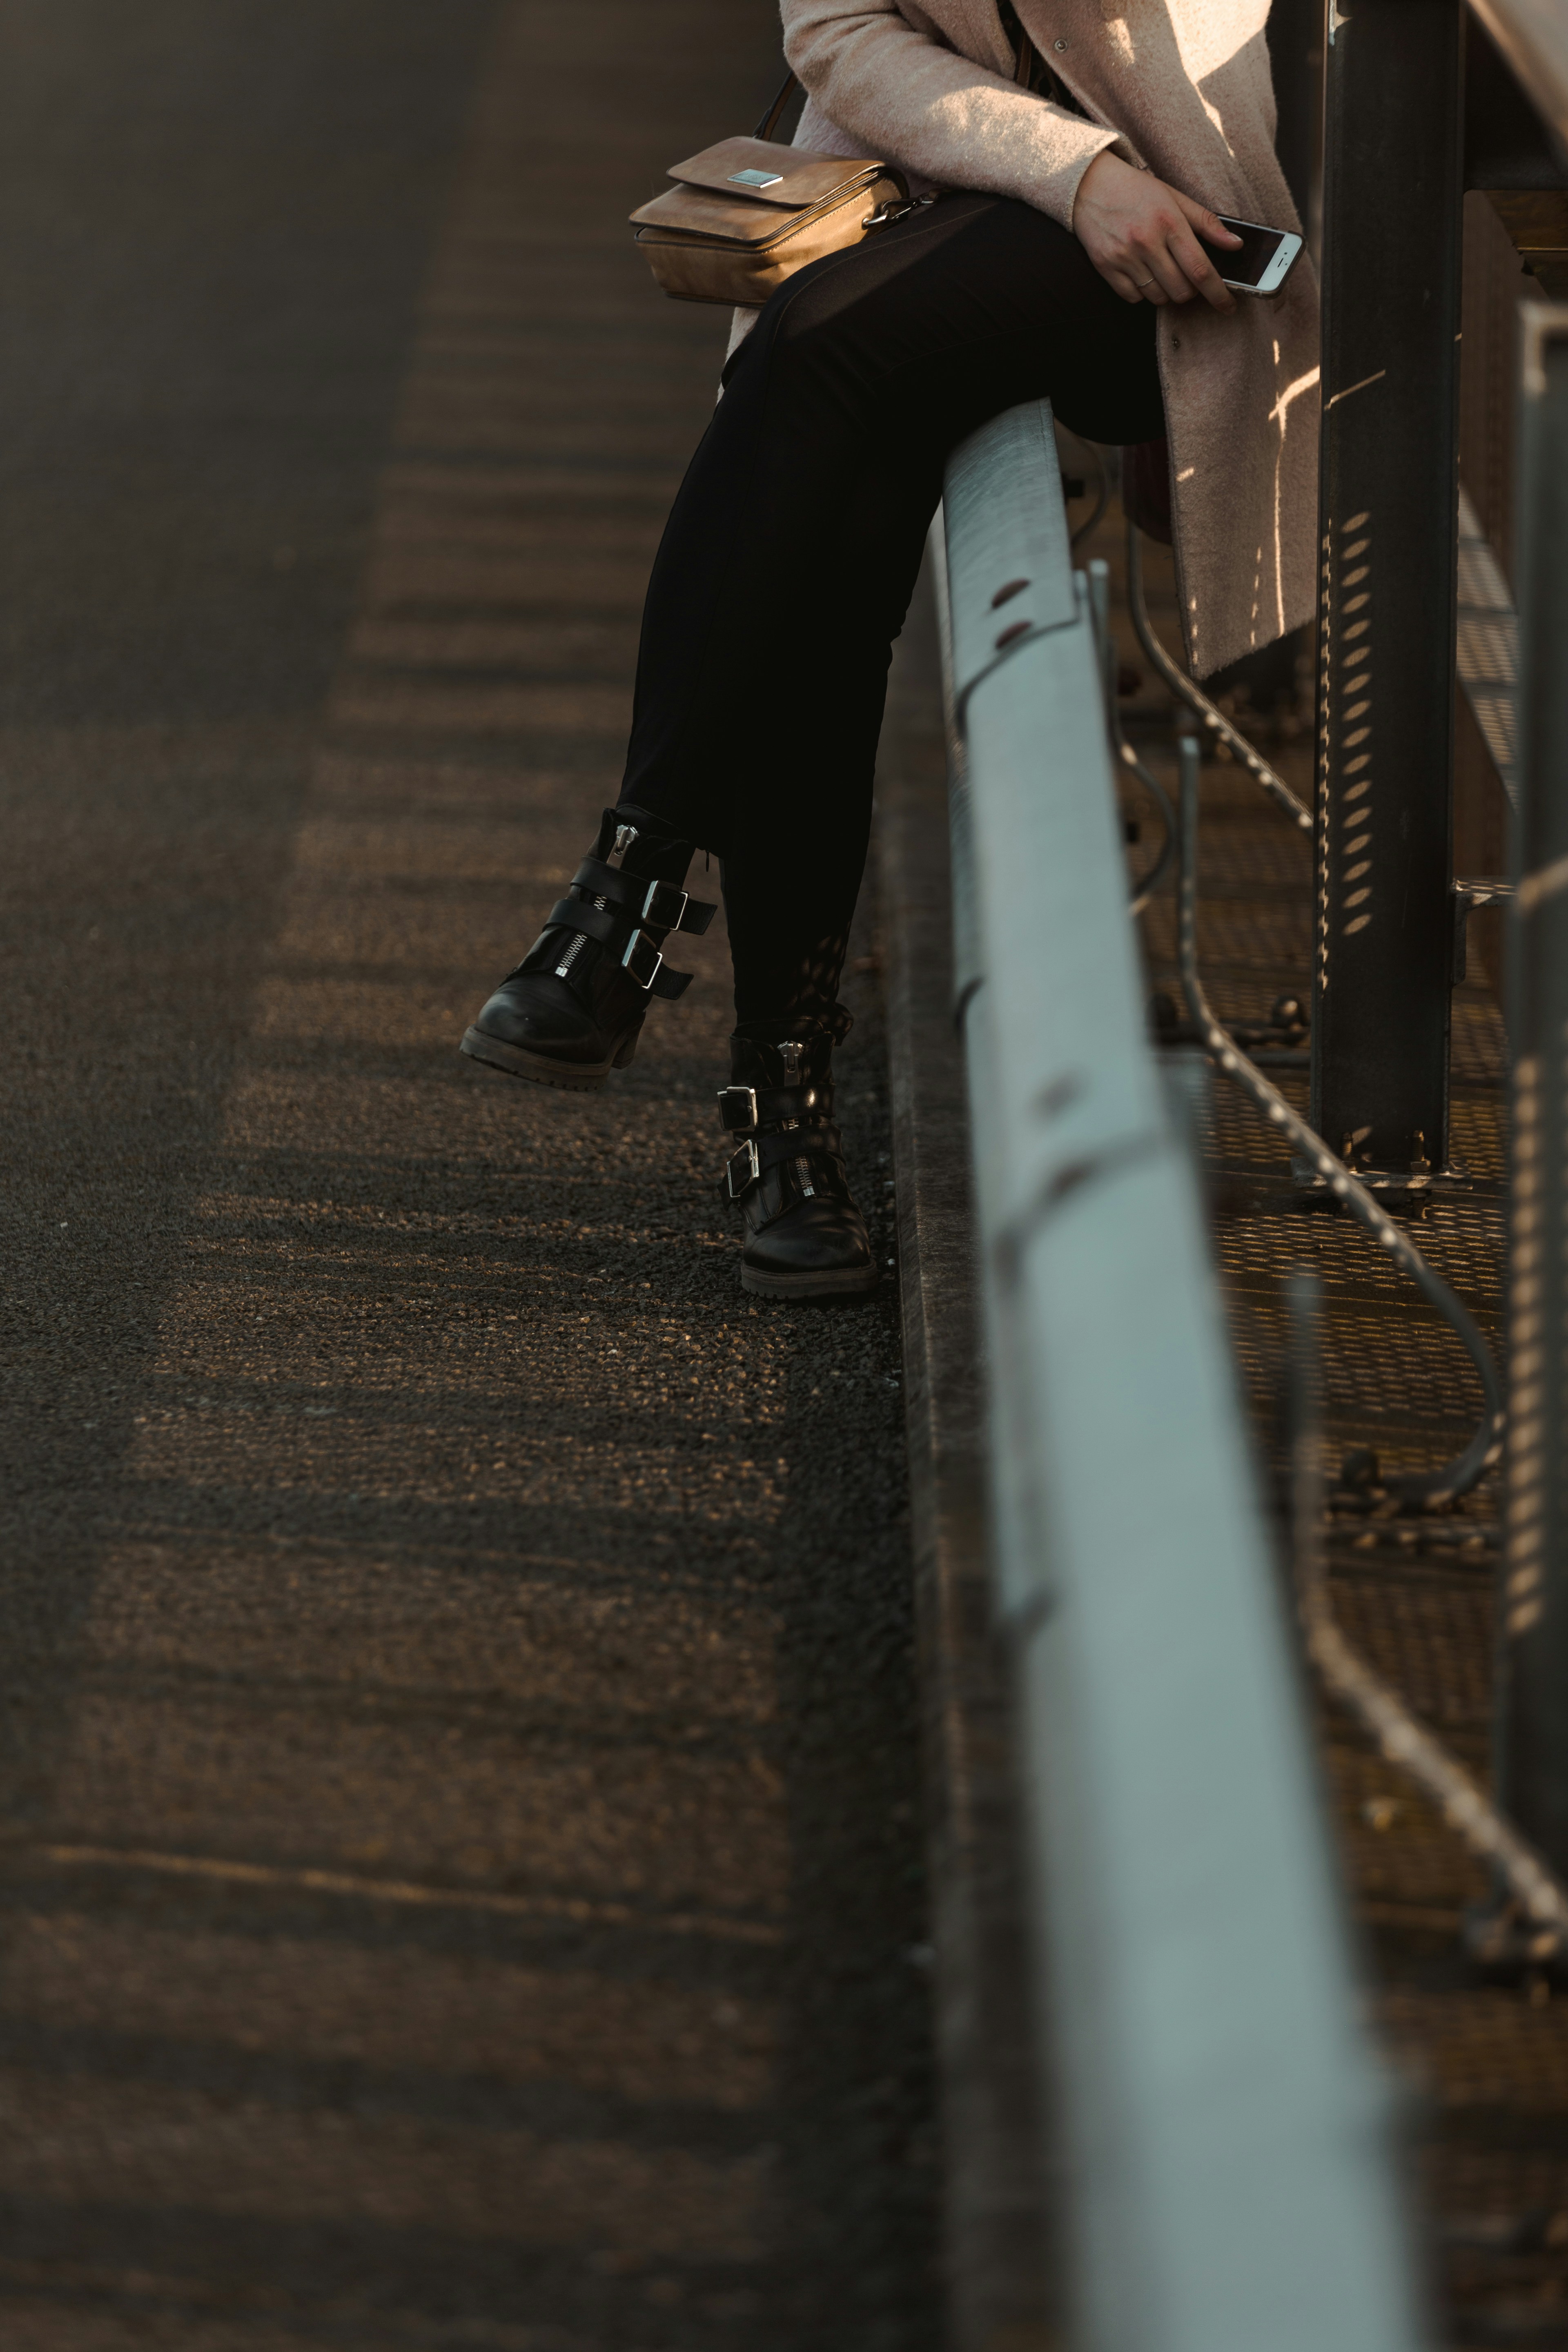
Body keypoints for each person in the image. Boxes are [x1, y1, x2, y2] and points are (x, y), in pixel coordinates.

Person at [460, 0, 1318, 1301]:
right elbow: (837, 29)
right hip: (937, 201)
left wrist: (1098, 179)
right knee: (830, 542)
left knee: (811, 360)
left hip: (1181, 225)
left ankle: (629, 894)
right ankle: (781, 1109)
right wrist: (1063, 169)